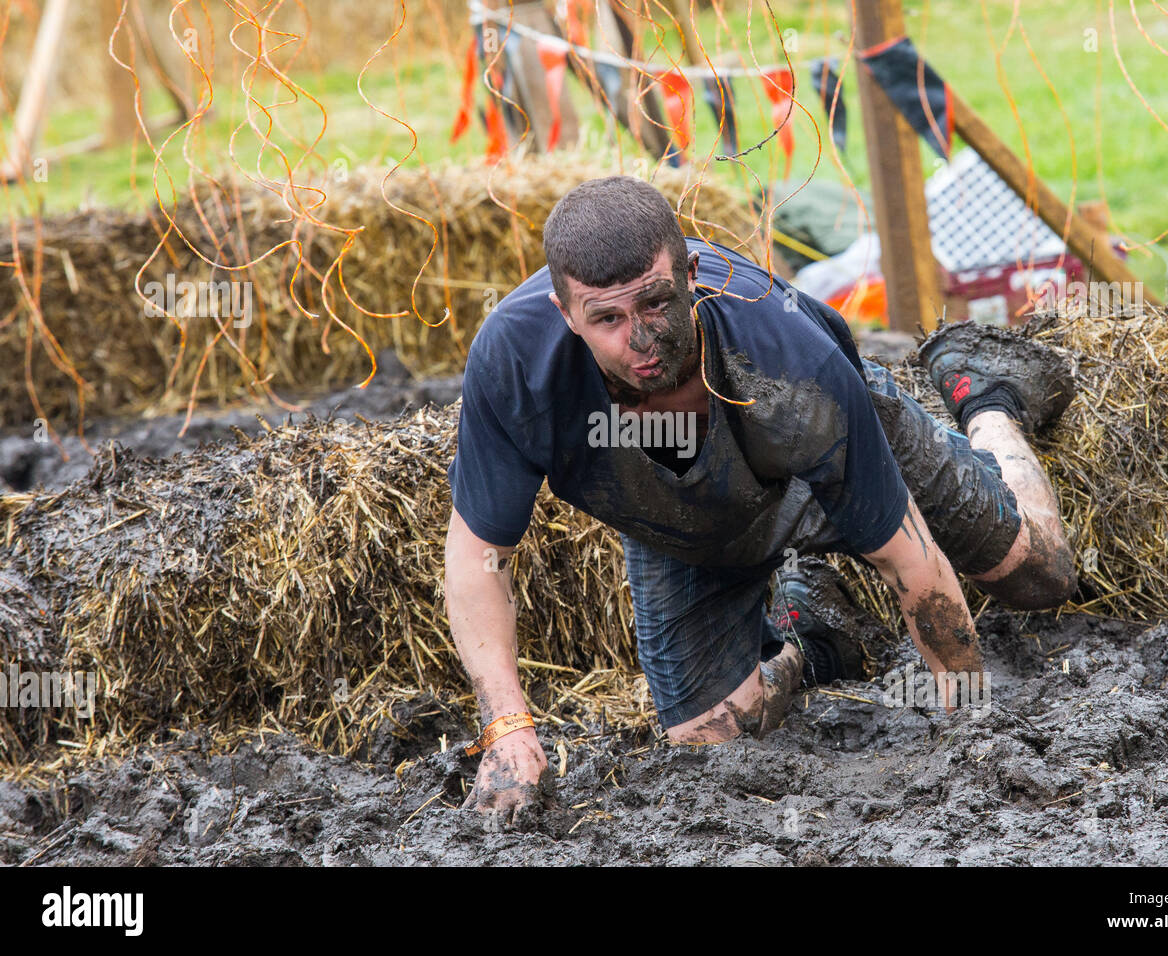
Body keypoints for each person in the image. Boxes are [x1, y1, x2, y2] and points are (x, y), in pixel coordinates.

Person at [444, 176, 1078, 819]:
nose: (639, 340)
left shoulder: (787, 355)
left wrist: (969, 728)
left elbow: (907, 559)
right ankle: (812, 627)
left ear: (691, 275)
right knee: (708, 742)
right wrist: (507, 730)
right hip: (688, 524)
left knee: (1039, 572)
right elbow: (478, 558)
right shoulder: (513, 364)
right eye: (607, 319)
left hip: (827, 445)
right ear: (565, 313)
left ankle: (988, 398)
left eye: (656, 304)